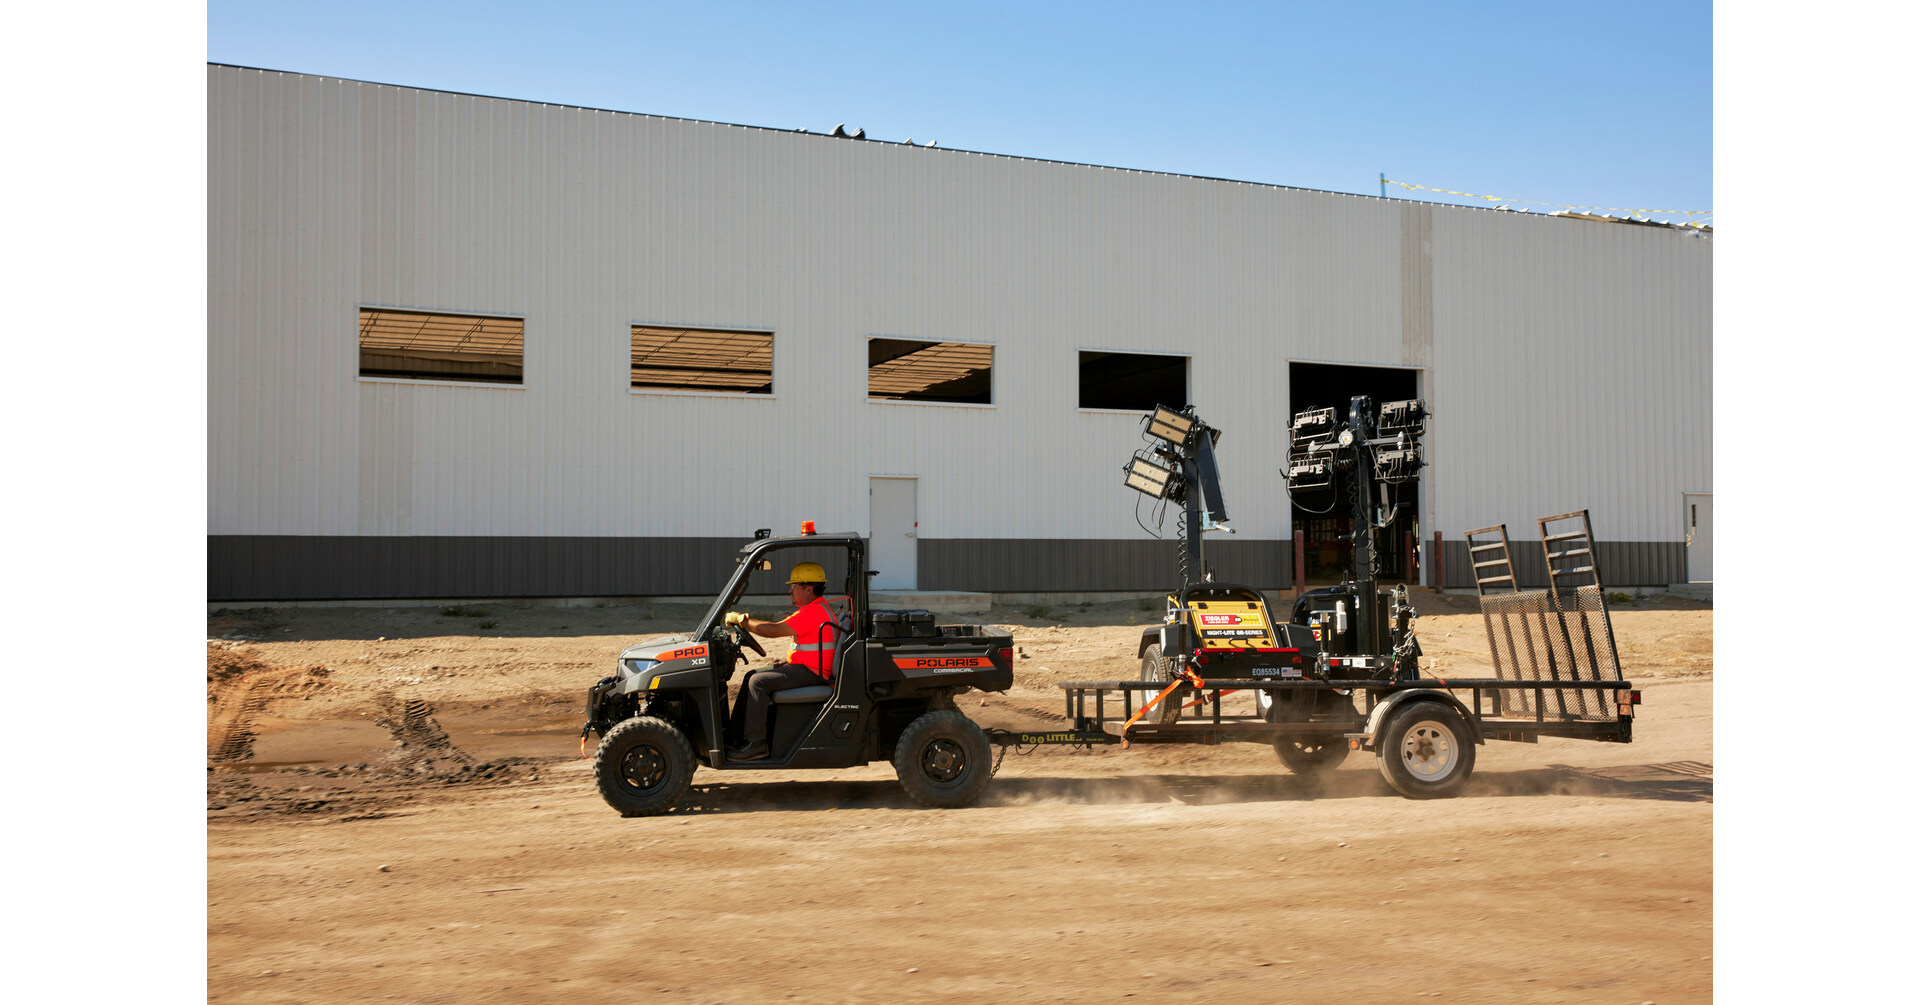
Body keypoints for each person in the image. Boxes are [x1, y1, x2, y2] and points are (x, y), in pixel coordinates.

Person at [722, 562, 842, 760]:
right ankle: (735, 737)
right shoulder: (814, 609)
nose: (790, 591)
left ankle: (756, 745)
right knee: (752, 675)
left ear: (808, 588)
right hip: (807, 667)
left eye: (794, 587)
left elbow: (773, 630)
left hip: (813, 672)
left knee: (757, 683)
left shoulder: (813, 613)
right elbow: (776, 627)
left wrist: (744, 621)